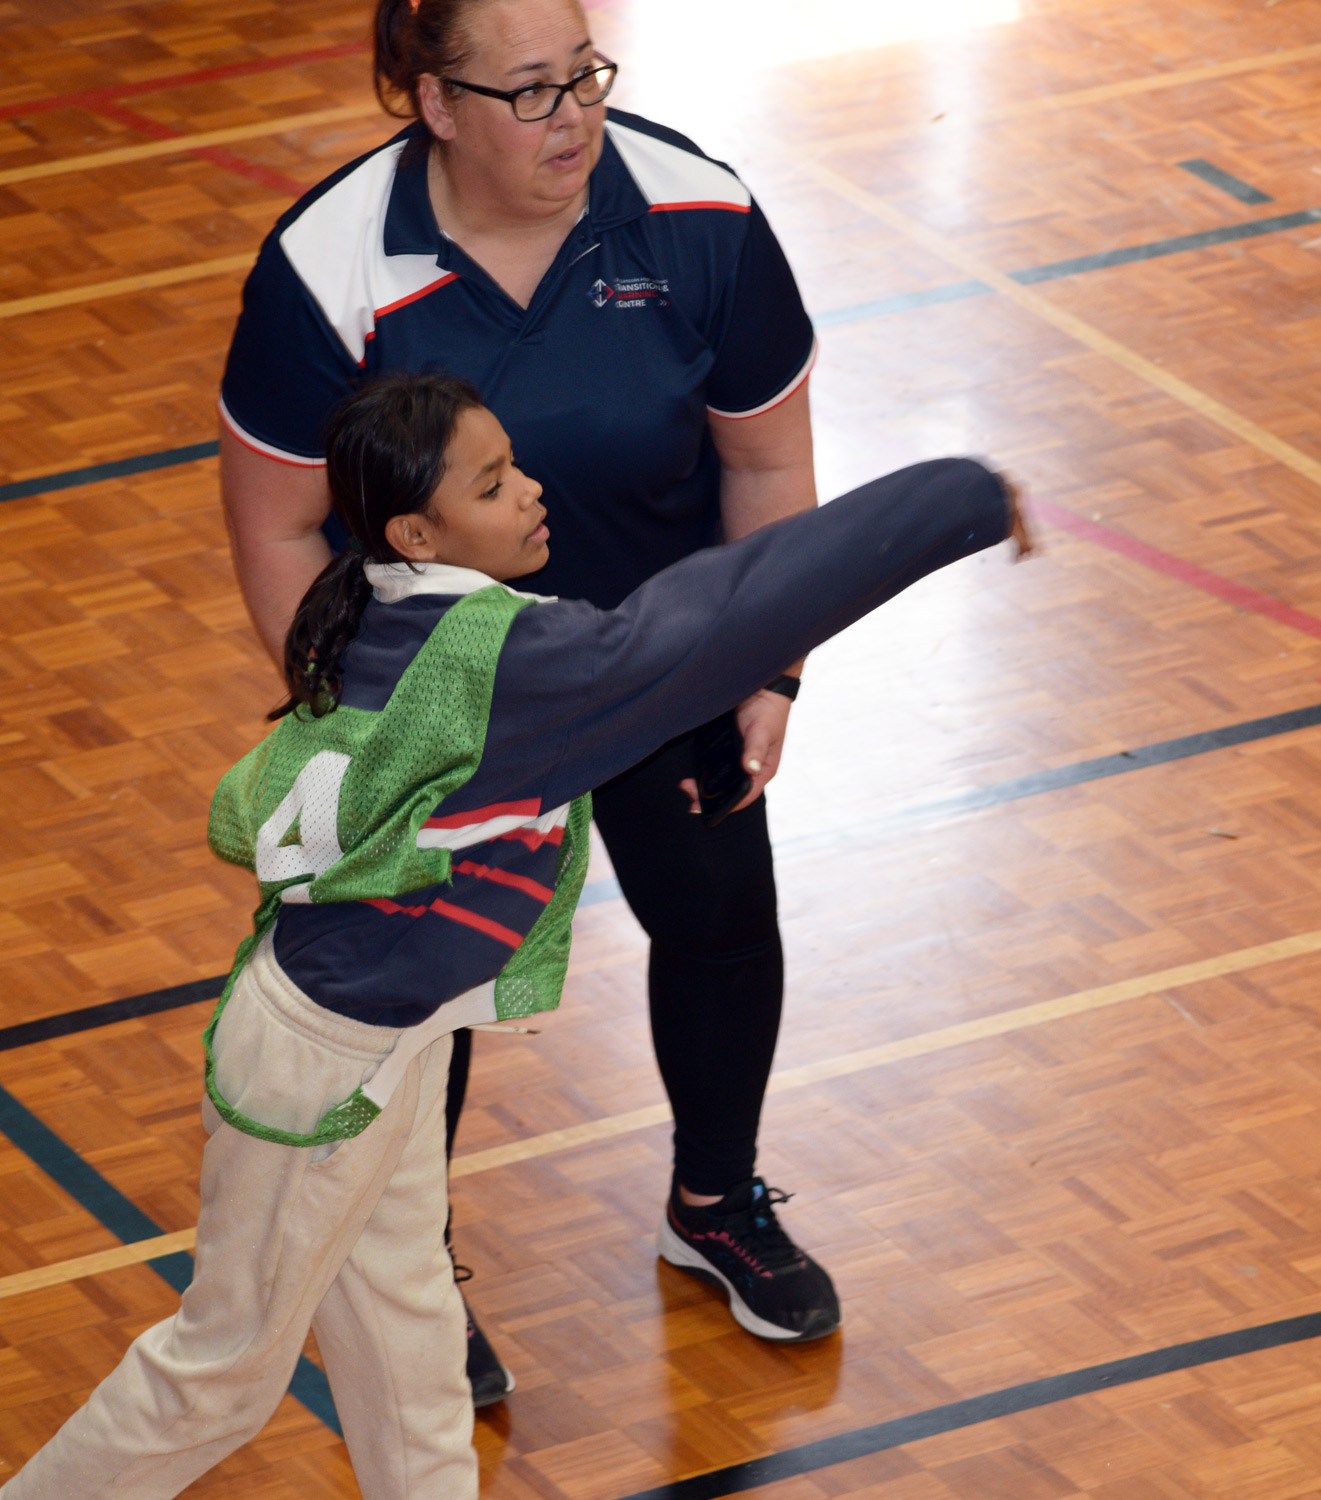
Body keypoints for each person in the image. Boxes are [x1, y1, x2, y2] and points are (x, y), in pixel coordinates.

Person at [0, 372, 1024, 1500]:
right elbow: (720, 614)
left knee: (411, 1341)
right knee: (222, 1373)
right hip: (321, 1069)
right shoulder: (509, 664)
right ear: (417, 533)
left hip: (376, 1047)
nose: (533, 492)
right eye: (492, 487)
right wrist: (952, 499)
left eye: (514, 466)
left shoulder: (376, 606)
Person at [220, 0, 865, 1386]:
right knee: (427, 988)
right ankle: (411, 1275)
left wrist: (772, 665)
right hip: (447, 704)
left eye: (585, 76)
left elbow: (765, 465)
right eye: (529, 92)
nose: (574, 116)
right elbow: (277, 528)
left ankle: (714, 1205)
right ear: (434, 102)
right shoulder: (329, 266)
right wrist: (361, 725)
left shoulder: (698, 215)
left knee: (720, 920)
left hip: (661, 663)